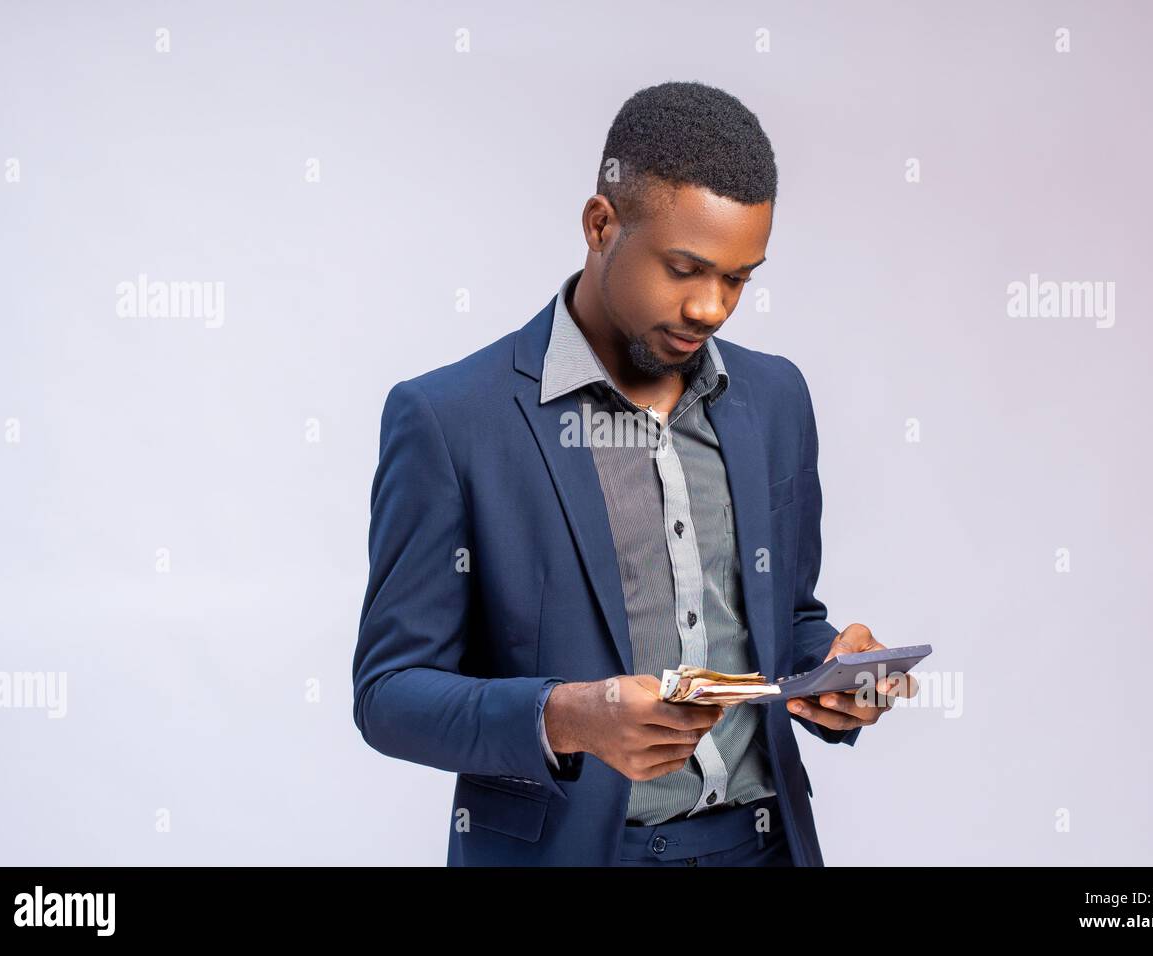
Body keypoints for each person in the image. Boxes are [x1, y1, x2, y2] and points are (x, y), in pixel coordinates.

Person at [352, 80, 915, 867]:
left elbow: (782, 619)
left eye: (739, 277)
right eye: (685, 269)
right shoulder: (451, 420)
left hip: (762, 843)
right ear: (600, 224)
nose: (712, 308)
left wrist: (830, 673)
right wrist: (569, 715)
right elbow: (389, 697)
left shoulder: (775, 398)